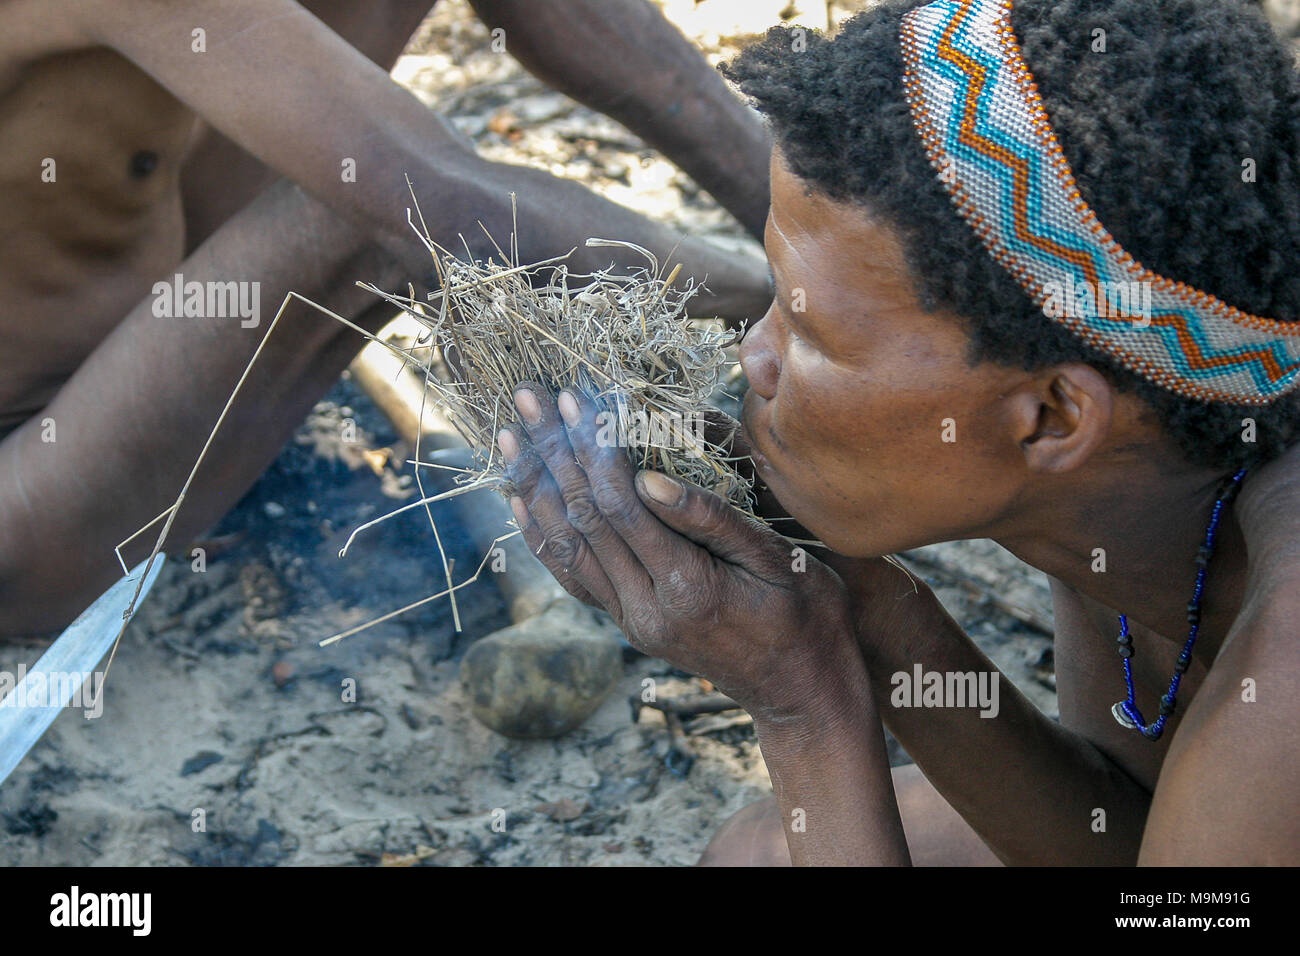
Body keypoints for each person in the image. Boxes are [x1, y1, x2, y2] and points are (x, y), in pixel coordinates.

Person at [496, 0, 1300, 865]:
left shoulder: (1282, 688)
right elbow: (1120, 839)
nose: (753, 357)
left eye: (813, 338)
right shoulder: (1130, 490)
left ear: (1053, 417)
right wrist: (864, 611)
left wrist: (803, 704)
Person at [0, 0, 773, 637]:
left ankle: (799, 209)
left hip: (118, 353)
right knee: (368, 213)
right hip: (24, 513)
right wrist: (782, 301)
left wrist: (800, 205)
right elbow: (449, 206)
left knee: (382, 186)